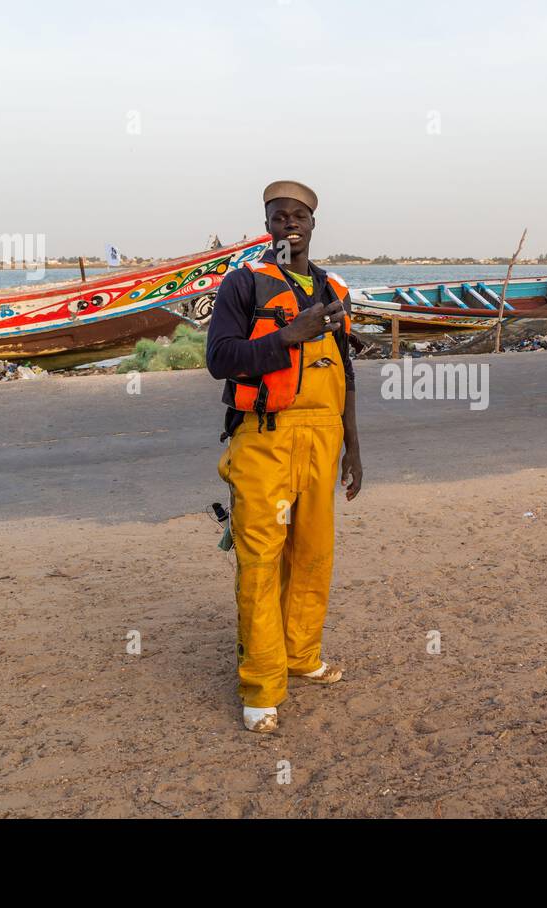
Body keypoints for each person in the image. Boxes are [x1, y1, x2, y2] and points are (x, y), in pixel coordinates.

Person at [205, 180, 364, 734]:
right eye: (279, 216)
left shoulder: (334, 288)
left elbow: (345, 371)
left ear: (313, 224)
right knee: (261, 562)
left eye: (299, 215)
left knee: (314, 554)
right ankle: (261, 685)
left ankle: (301, 655)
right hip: (265, 439)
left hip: (324, 438)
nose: (289, 223)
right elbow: (220, 359)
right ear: (267, 224)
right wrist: (288, 336)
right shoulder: (243, 283)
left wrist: (353, 448)